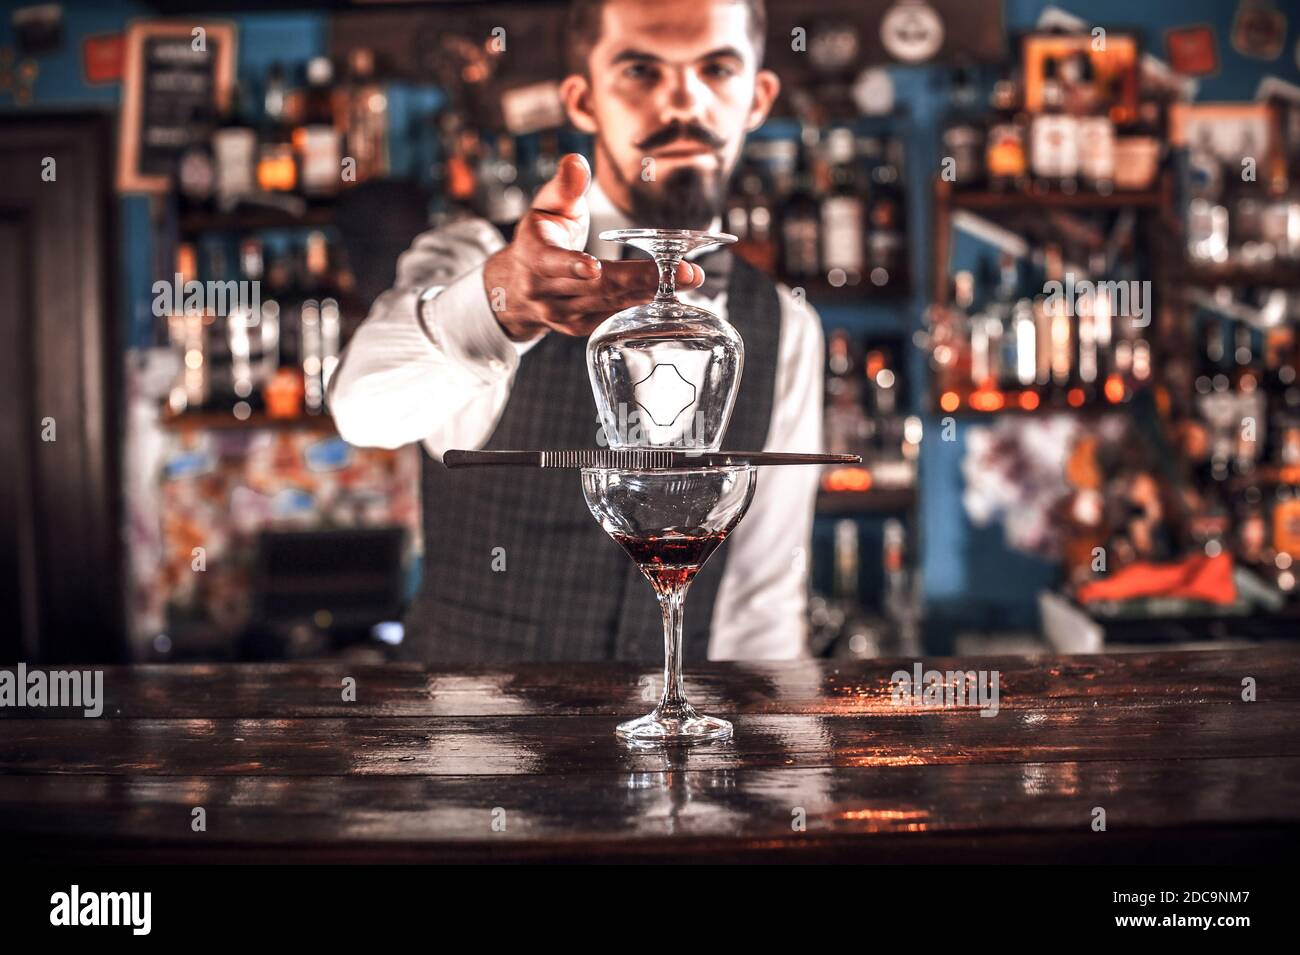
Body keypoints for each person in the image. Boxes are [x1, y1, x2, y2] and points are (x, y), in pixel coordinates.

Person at [330, 0, 823, 662]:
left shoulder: (787, 323)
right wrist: (501, 307)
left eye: (717, 69)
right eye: (641, 70)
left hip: (675, 725)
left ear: (758, 97)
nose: (684, 100)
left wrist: (768, 728)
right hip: (472, 722)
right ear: (583, 100)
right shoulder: (473, 255)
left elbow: (760, 599)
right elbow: (363, 410)